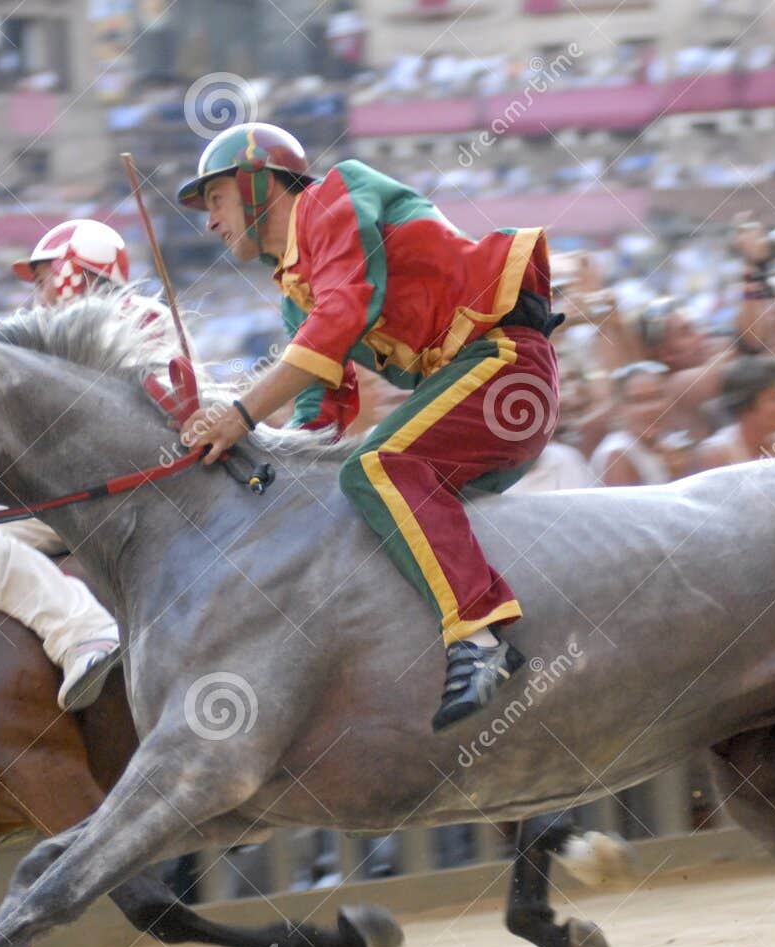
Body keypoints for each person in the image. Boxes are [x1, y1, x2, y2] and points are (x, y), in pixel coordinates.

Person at [175, 122, 563, 731]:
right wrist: (257, 457)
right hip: (470, 382)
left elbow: (340, 317)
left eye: (216, 199)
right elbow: (322, 415)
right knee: (346, 484)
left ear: (259, 185)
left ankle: (482, 638)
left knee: (378, 467)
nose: (210, 221)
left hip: (504, 365)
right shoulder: (294, 291)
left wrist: (241, 414)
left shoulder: (337, 196)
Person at [0, 220, 135, 712]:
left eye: (42, 278)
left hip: (120, 493)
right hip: (74, 492)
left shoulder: (133, 319)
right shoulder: (47, 346)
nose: (35, 294)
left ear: (78, 272)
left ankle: (86, 633)